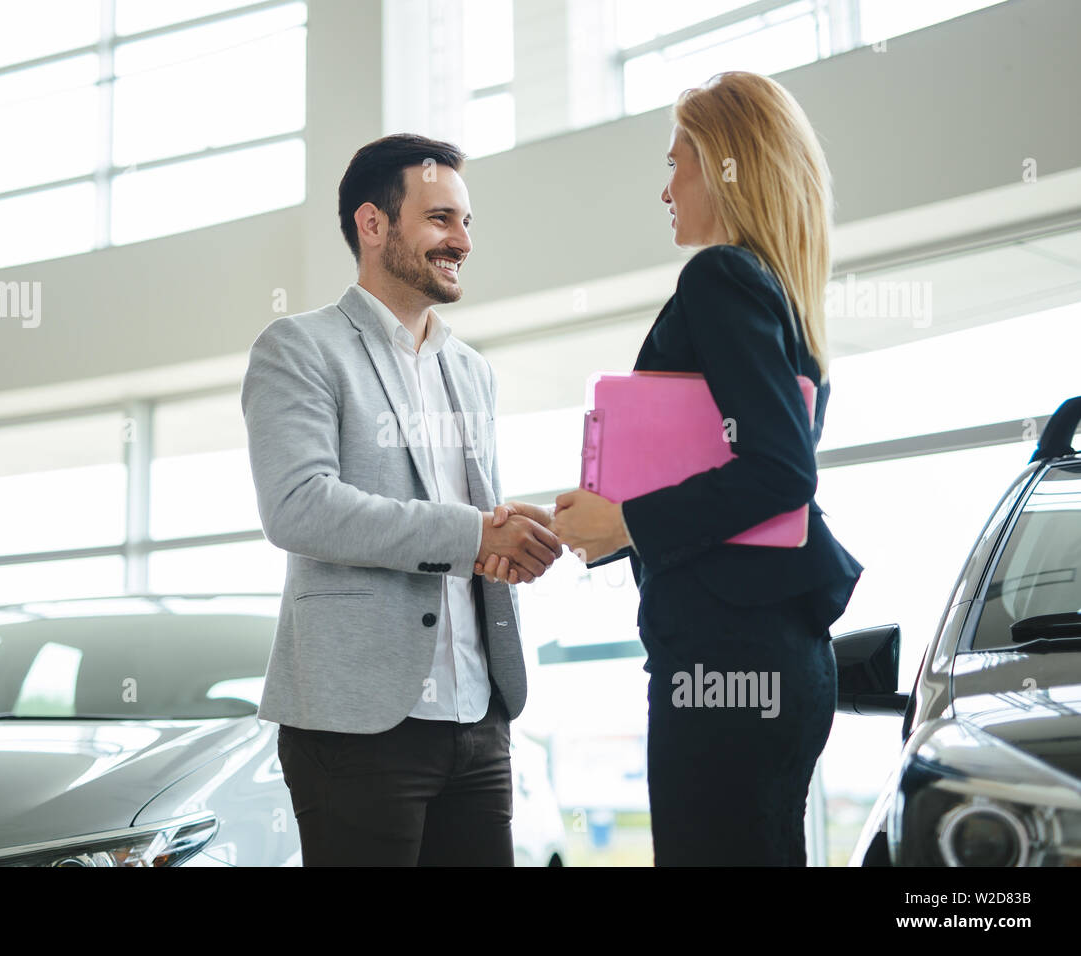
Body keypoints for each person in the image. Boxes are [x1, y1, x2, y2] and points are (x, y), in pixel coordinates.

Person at [478, 72, 864, 865]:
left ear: (725, 163)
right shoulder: (776, 293)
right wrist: (598, 526)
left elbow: (780, 473)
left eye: (677, 161)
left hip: (729, 660)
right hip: (766, 655)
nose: (666, 189)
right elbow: (725, 469)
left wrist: (625, 522)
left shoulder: (720, 278)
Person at [241, 133, 561, 866]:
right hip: (357, 727)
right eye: (441, 219)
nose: (462, 241)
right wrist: (477, 534)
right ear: (373, 223)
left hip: (479, 716)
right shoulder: (300, 348)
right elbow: (300, 506)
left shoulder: (472, 371)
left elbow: (466, 529)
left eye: (468, 223)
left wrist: (512, 545)